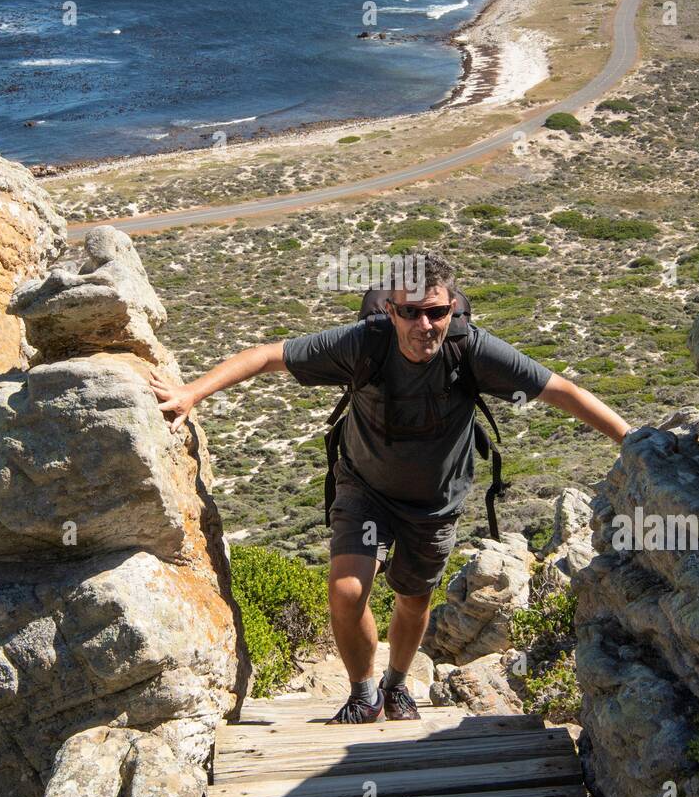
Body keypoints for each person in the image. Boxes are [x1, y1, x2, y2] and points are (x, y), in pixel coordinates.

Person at [149, 251, 630, 725]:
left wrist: (630, 440)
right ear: (390, 311)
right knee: (346, 589)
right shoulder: (365, 343)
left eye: (437, 312)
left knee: (413, 599)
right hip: (365, 487)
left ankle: (396, 686)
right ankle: (363, 694)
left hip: (436, 502)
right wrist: (192, 393)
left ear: (451, 308)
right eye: (411, 313)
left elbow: (561, 391)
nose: (426, 325)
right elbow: (268, 357)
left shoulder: (473, 349)